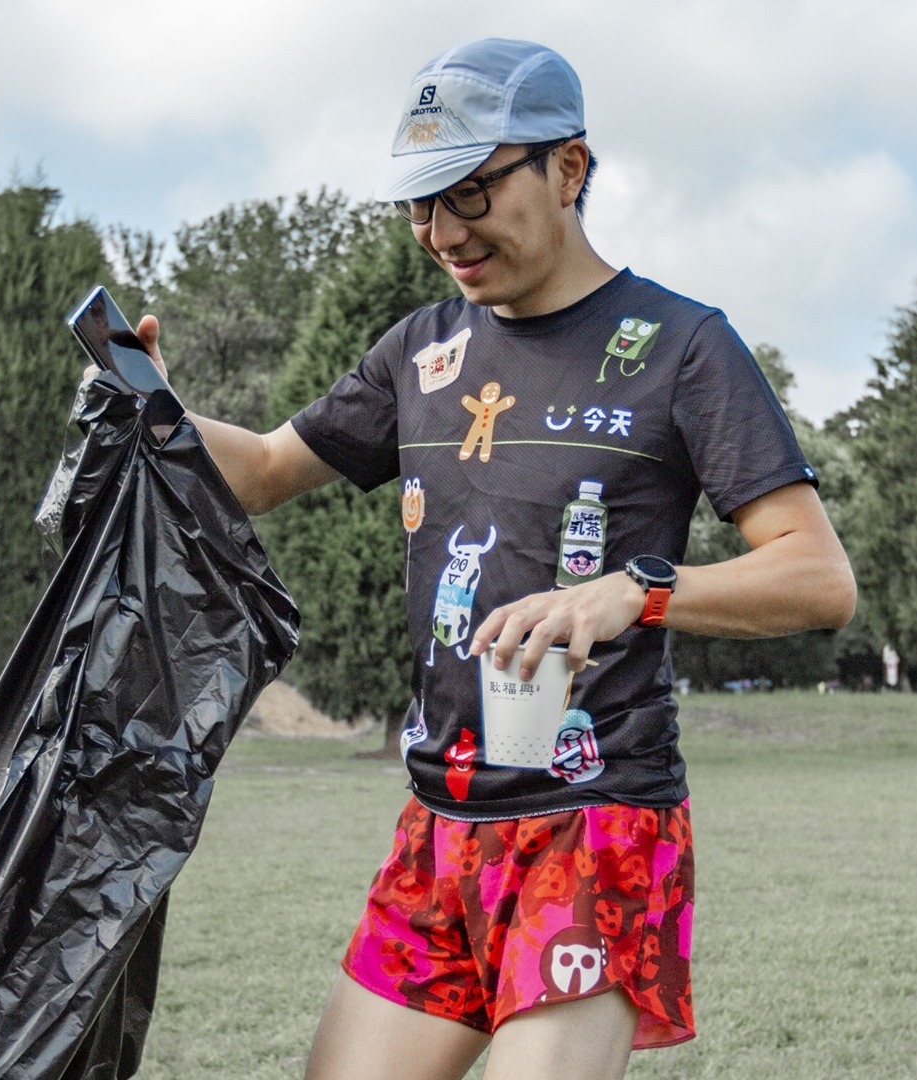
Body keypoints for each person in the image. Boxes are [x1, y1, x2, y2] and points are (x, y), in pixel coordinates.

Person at [110, 37, 856, 1080]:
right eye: (421, 205)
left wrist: (628, 594)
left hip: (598, 828)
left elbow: (818, 578)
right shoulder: (422, 349)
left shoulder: (685, 347)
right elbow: (269, 468)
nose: (443, 233)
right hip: (440, 823)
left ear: (569, 169)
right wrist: (153, 408)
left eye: (470, 193)